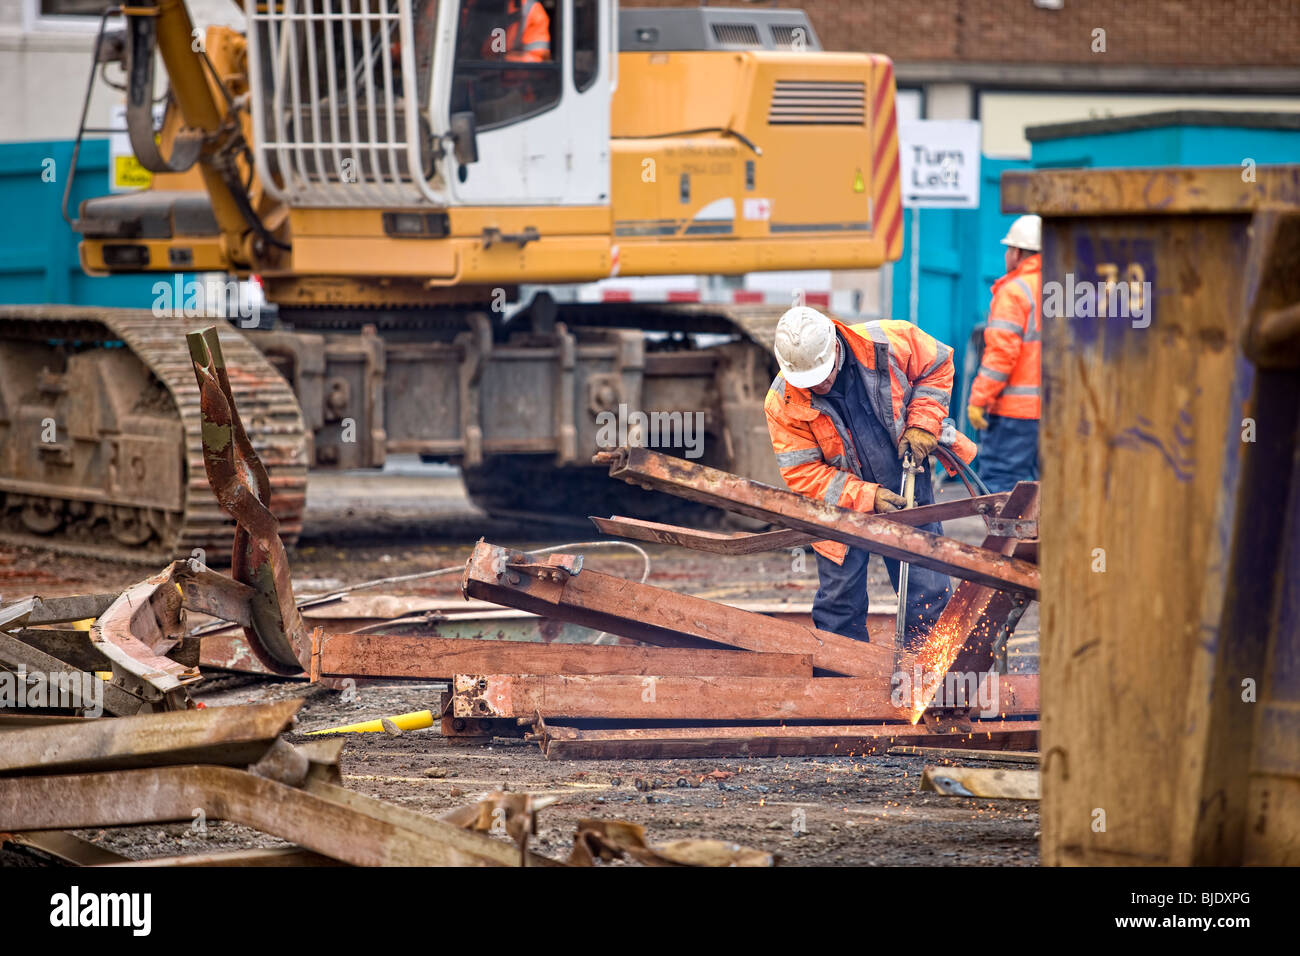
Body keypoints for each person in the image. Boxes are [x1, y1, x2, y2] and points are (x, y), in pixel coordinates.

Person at [764, 306, 977, 648]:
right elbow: (803, 474)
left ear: (835, 346)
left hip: (905, 476)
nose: (820, 384)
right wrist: (868, 498)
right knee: (839, 601)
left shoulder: (886, 341)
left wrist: (923, 424)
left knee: (925, 588)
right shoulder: (782, 402)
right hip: (841, 504)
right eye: (810, 380)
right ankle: (841, 680)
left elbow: (937, 365)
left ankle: (926, 676)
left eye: (823, 374)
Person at [968, 214, 1042, 492]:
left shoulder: (1014, 291)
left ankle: (1011, 539)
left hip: (1015, 417)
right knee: (1044, 495)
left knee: (1003, 492)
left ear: (1018, 252)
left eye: (1009, 248)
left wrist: (978, 400)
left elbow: (1001, 356)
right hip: (1055, 416)